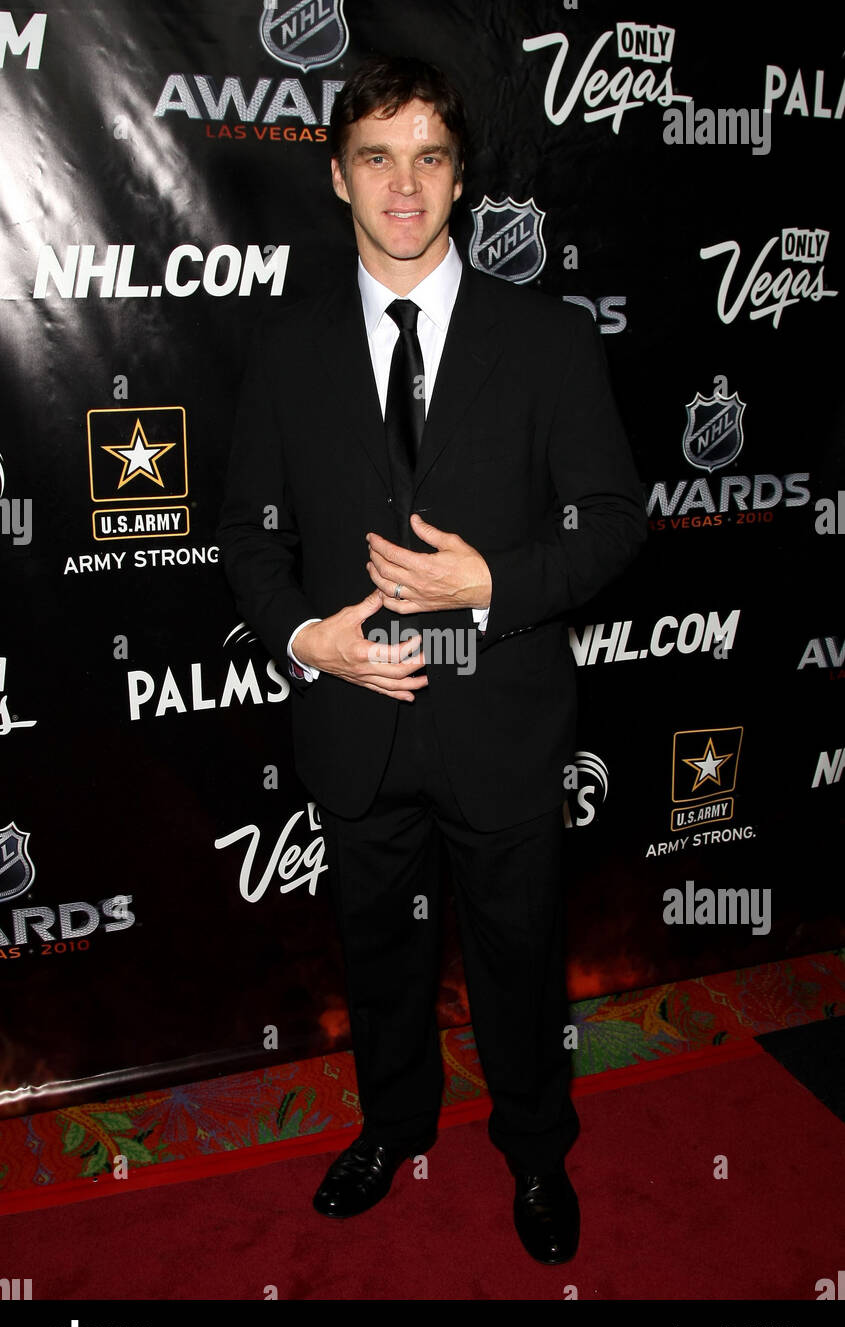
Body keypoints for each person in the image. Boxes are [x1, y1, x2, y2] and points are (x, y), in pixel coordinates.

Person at [217, 54, 647, 1265]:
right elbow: (247, 532)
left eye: (429, 156)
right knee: (380, 953)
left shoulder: (549, 340)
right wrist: (308, 638)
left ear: (460, 178)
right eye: (375, 157)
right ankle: (391, 1126)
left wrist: (493, 584)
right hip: (356, 726)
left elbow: (614, 520)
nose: (402, 185)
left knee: (518, 962)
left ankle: (533, 1151)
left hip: (501, 724)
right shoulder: (288, 345)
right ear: (340, 180)